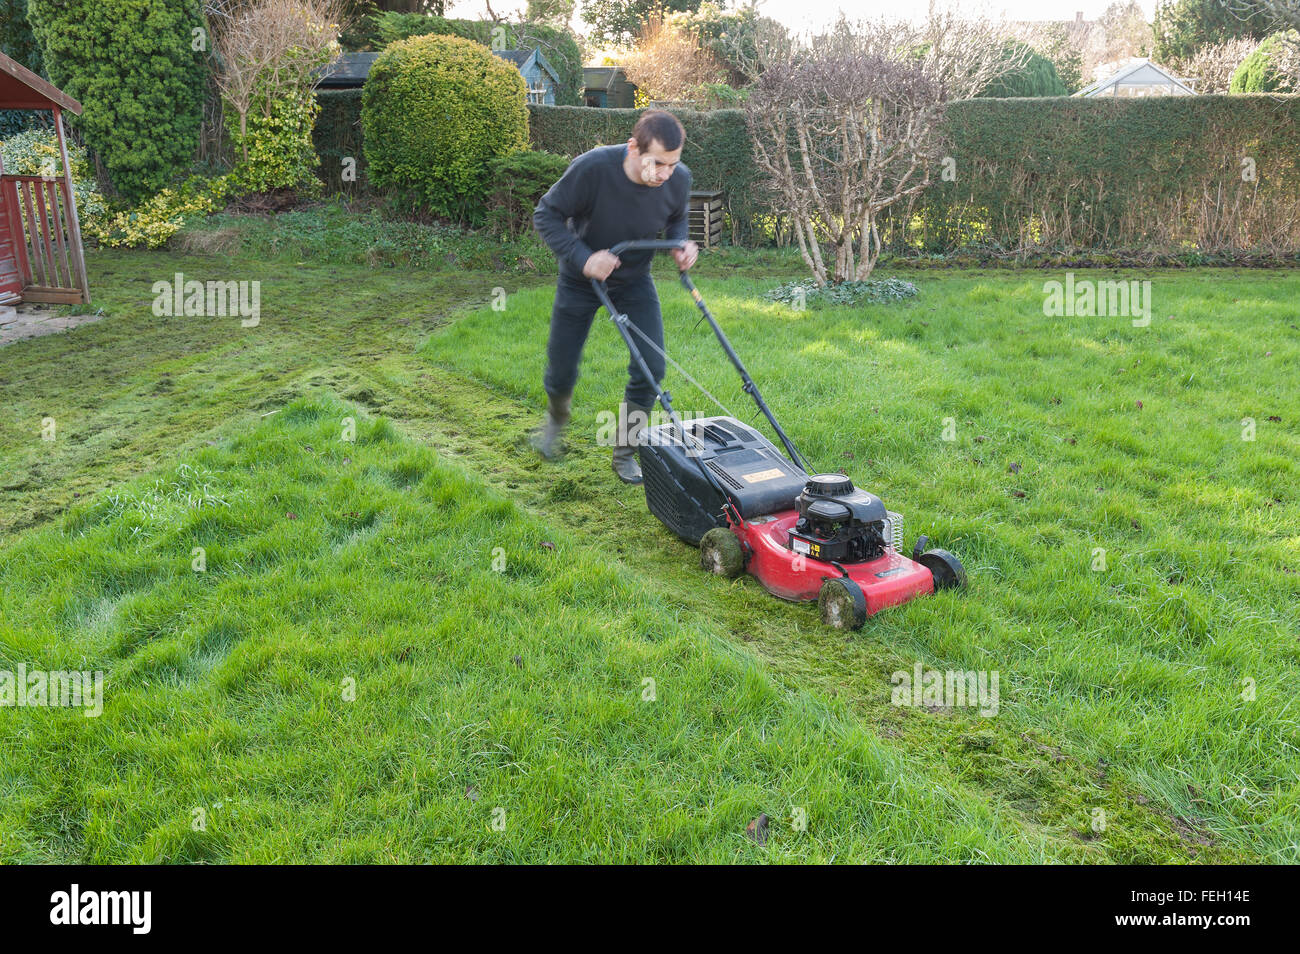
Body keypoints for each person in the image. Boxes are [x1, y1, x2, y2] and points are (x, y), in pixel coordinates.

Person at [531, 110, 699, 484]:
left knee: (651, 369)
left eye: (673, 164)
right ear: (632, 148)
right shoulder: (593, 169)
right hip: (581, 279)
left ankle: (625, 451)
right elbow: (546, 215)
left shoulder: (677, 178)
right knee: (561, 369)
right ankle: (557, 416)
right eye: (657, 163)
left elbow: (677, 218)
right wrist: (584, 258)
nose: (665, 174)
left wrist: (681, 244)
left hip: (635, 280)